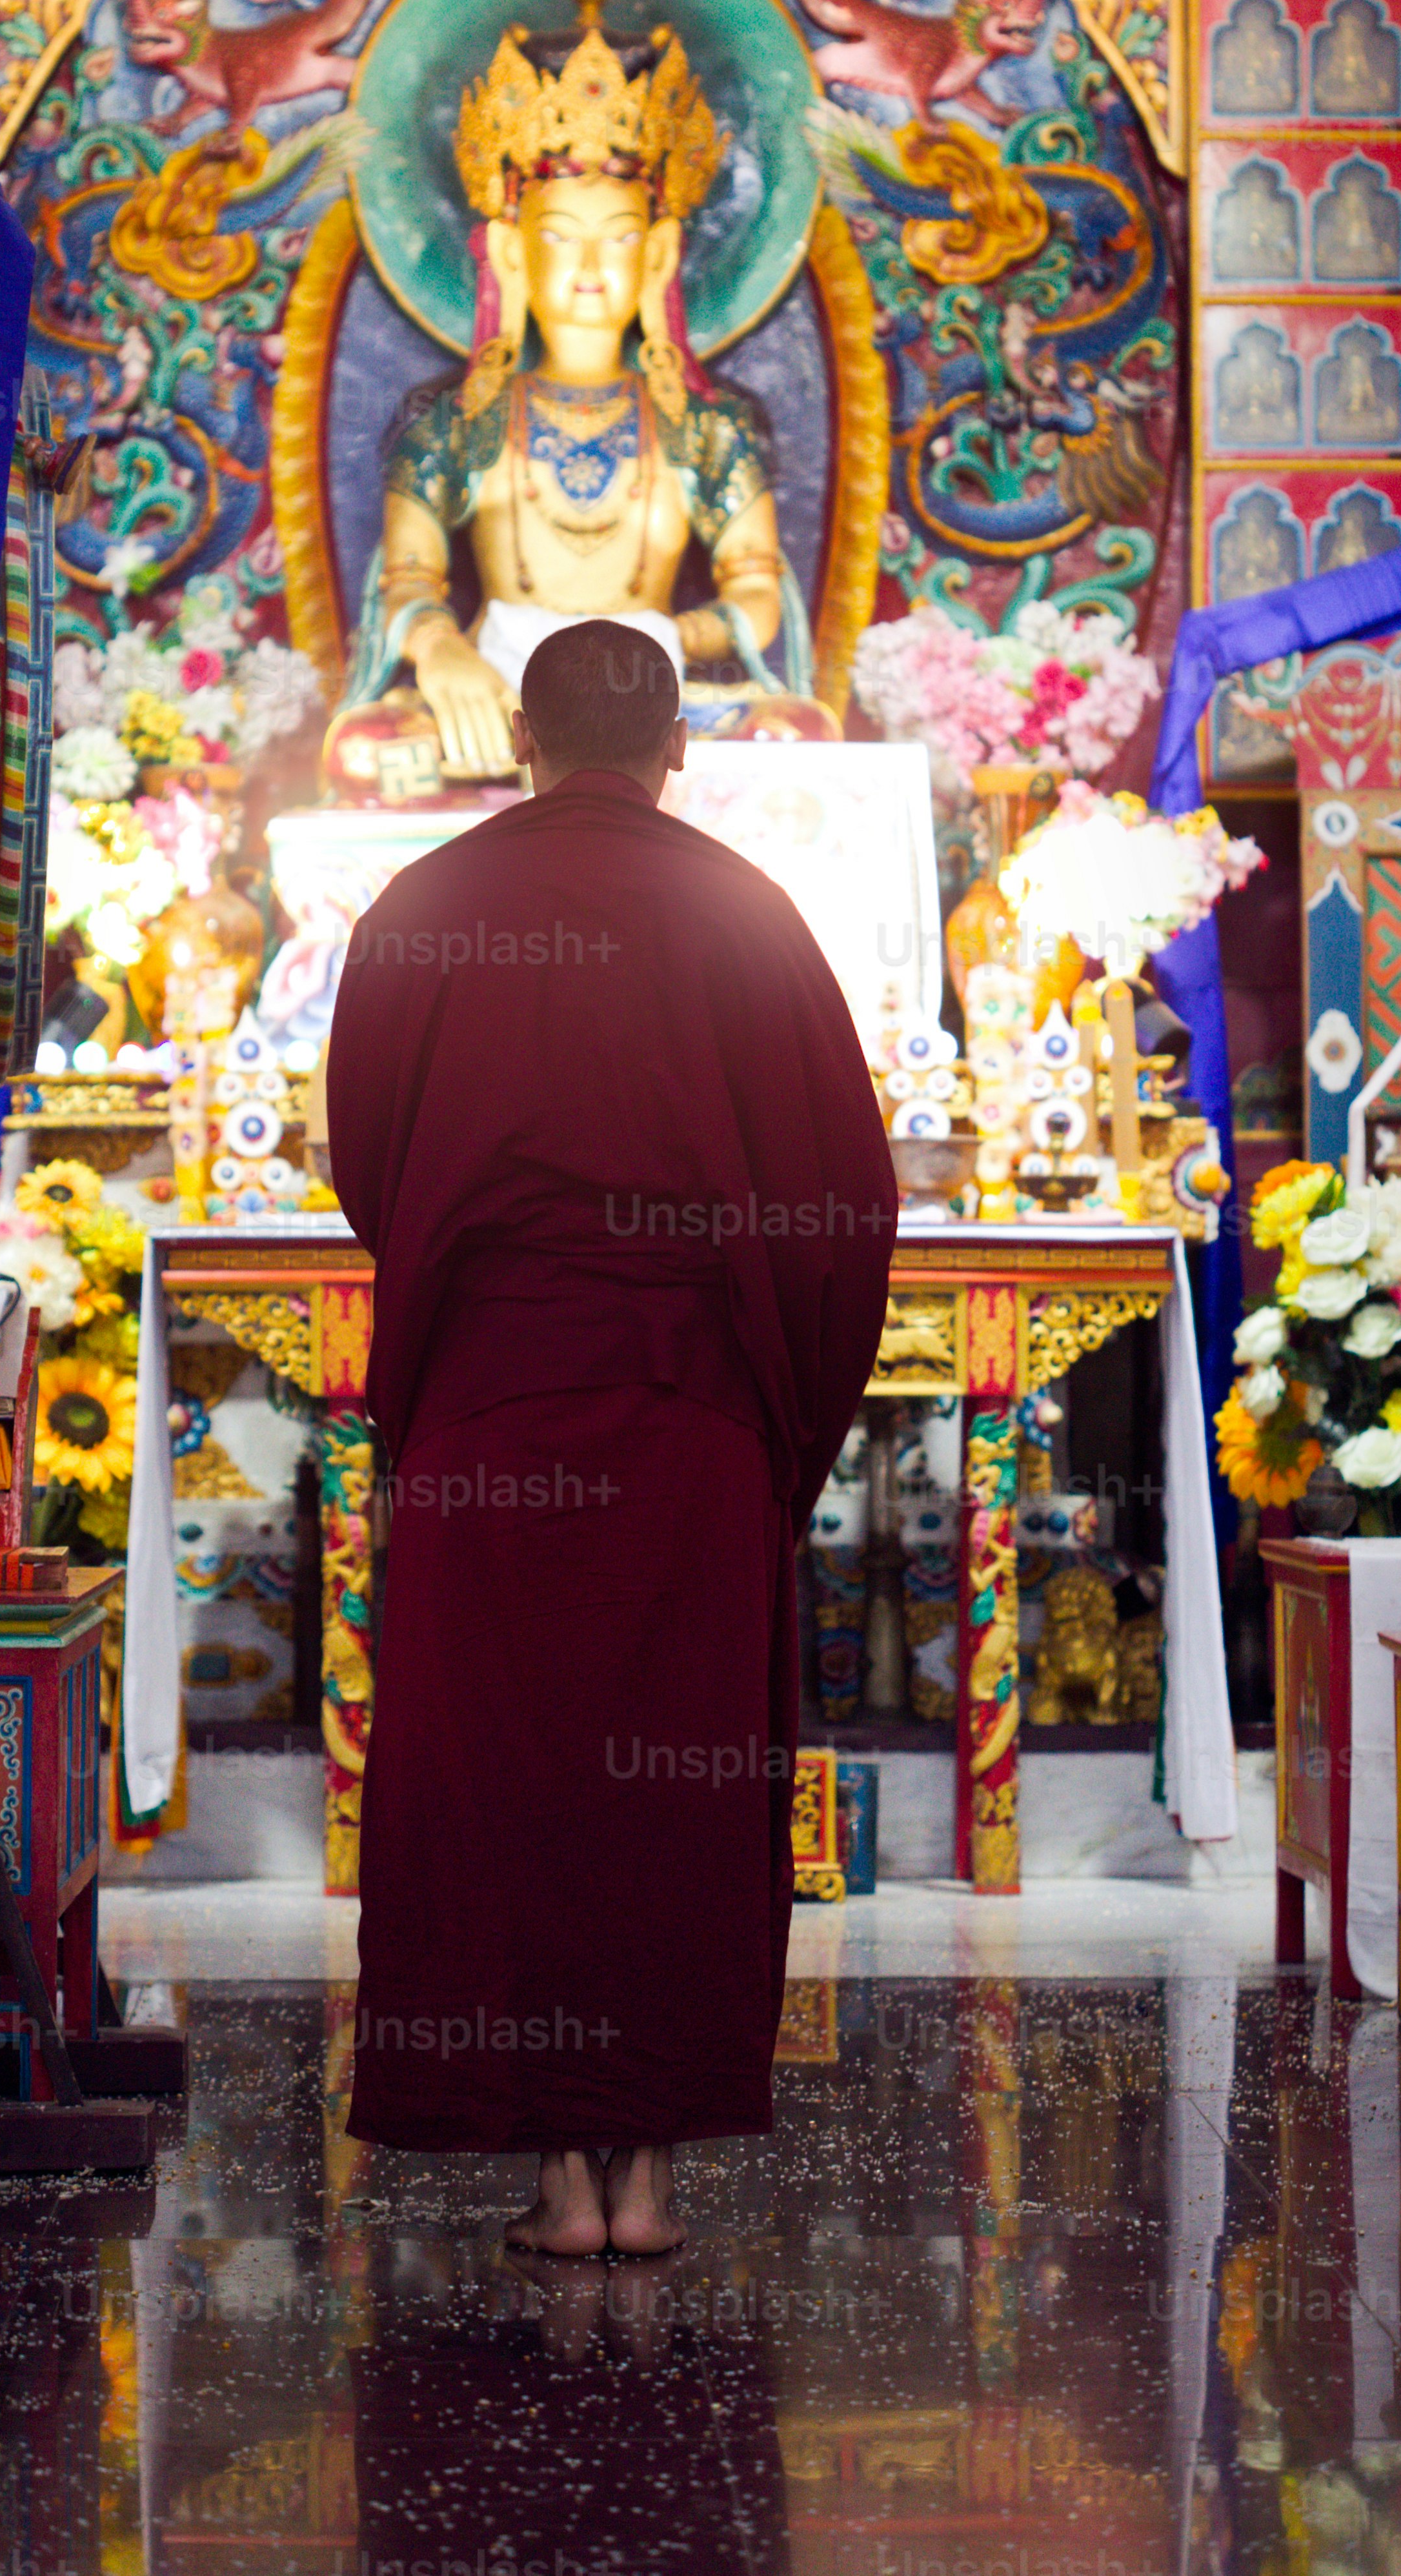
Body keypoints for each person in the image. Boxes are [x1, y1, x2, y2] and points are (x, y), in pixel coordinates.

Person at [325, 616, 898, 2256]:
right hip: (691, 1405)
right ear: (677, 748)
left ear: (519, 738)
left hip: (490, 1396)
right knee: (669, 1784)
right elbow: (843, 1195)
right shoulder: (746, 909)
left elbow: (370, 1161)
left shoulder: (427, 905)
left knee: (500, 1773)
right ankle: (646, 2179)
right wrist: (781, 1420)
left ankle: (555, 2182)